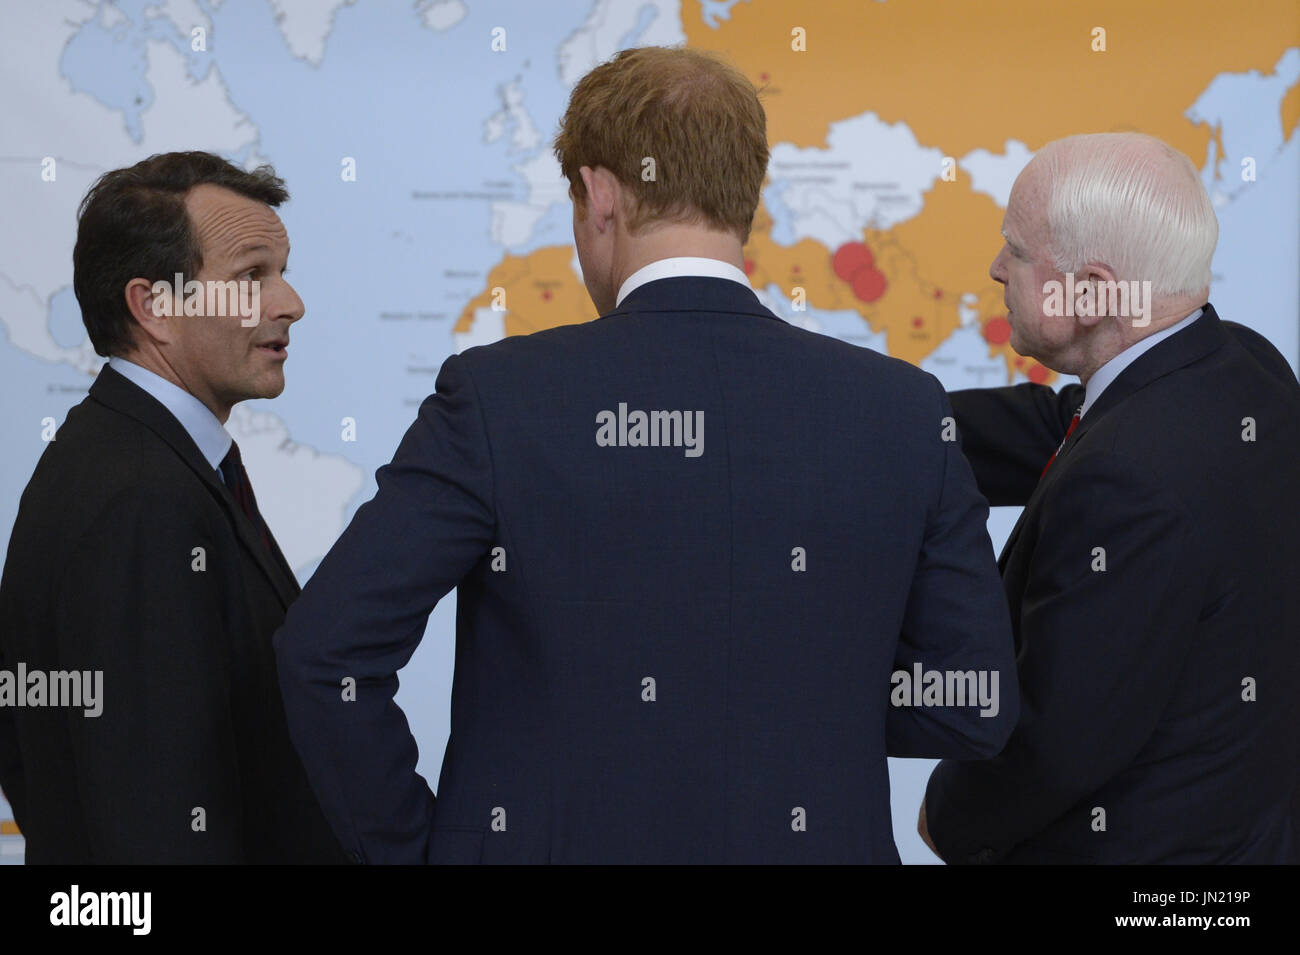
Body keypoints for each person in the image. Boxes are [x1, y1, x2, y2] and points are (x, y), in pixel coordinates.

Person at [275, 46, 1017, 864]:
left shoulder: (499, 398)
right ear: (747, 194)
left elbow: (326, 652)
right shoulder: (904, 409)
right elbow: (971, 705)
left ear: (600, 194)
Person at [921, 132, 1300, 864]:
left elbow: (1056, 743)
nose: (997, 268)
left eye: (1017, 251)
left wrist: (946, 814)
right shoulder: (1244, 365)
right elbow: (1069, 419)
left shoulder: (1125, 483)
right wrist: (881, 417)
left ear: (1092, 290)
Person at [0, 151, 345, 863]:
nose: (290, 303)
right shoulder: (138, 498)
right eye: (253, 275)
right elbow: (155, 822)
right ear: (154, 307)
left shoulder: (131, 462)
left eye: (280, 271)